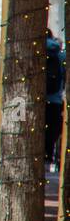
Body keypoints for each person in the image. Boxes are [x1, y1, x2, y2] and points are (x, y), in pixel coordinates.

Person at [46, 30, 66, 169]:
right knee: (53, 131)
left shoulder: (35, 50)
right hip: (55, 100)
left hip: (34, 102)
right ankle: (49, 157)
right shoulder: (59, 54)